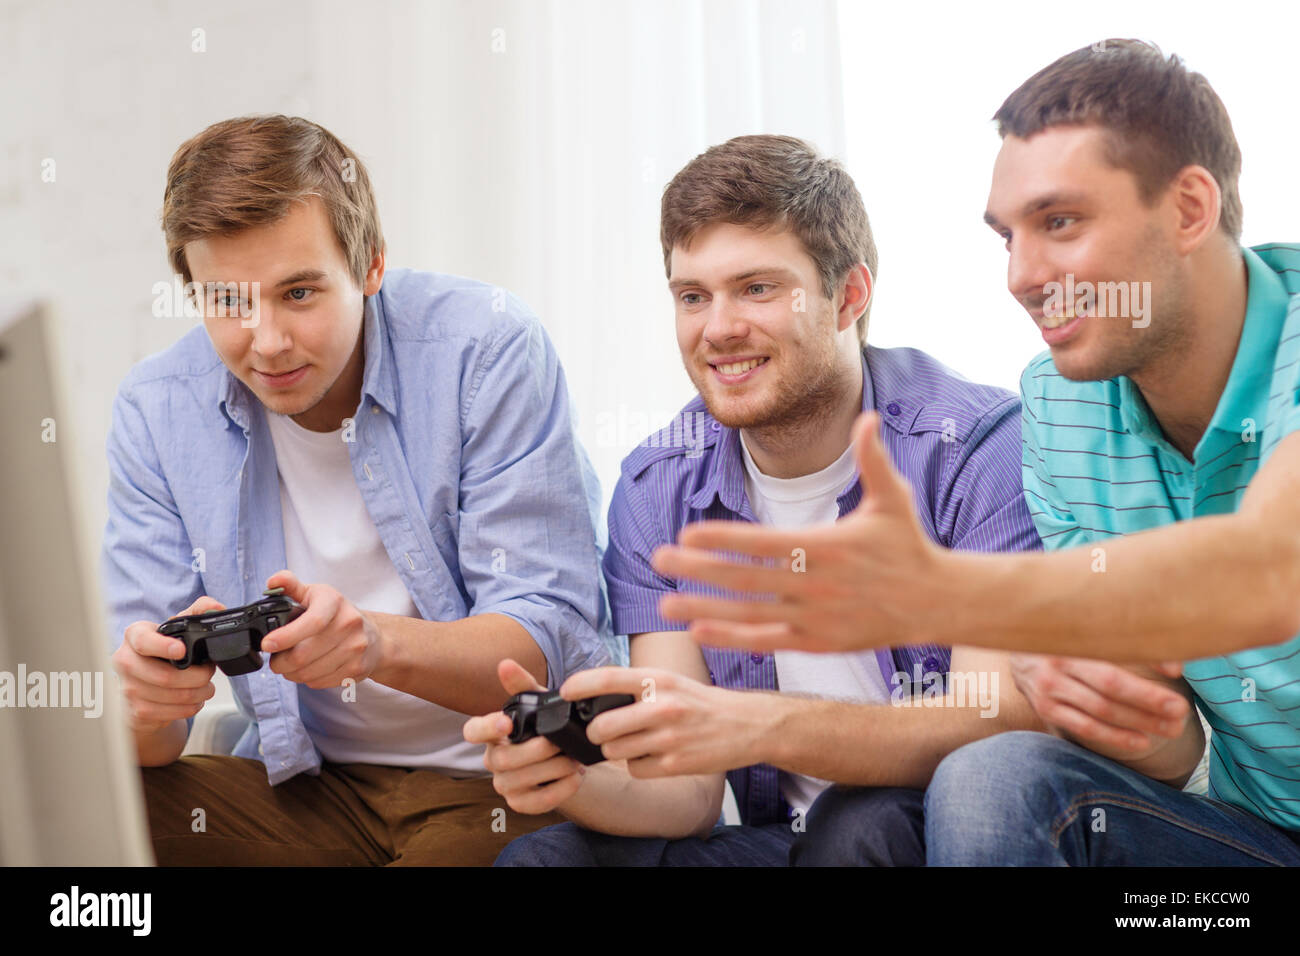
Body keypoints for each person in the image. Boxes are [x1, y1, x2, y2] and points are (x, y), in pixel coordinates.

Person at [655, 42, 1300, 865]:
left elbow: (1267, 563)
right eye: (1007, 238)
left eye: (1059, 222)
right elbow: (1174, 750)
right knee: (995, 777)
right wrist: (1119, 710)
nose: (1023, 276)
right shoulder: (1063, 405)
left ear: (1188, 209)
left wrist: (948, 591)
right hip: (1255, 843)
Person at [467, 134, 1042, 866]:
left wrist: (756, 724)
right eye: (692, 296)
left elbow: (993, 722)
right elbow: (690, 792)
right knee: (544, 860)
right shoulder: (657, 487)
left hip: (928, 827)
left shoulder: (972, 448)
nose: (718, 328)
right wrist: (569, 778)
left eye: (757, 288)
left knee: (858, 824)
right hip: (782, 843)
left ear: (849, 296)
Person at [103, 114, 612, 866]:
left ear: (370, 265)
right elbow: (150, 742)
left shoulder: (486, 349)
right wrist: (149, 704)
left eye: (299, 293)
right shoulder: (157, 408)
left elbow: (548, 643)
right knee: (78, 827)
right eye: (229, 302)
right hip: (310, 792)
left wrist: (374, 645)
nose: (266, 340)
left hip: (495, 787)